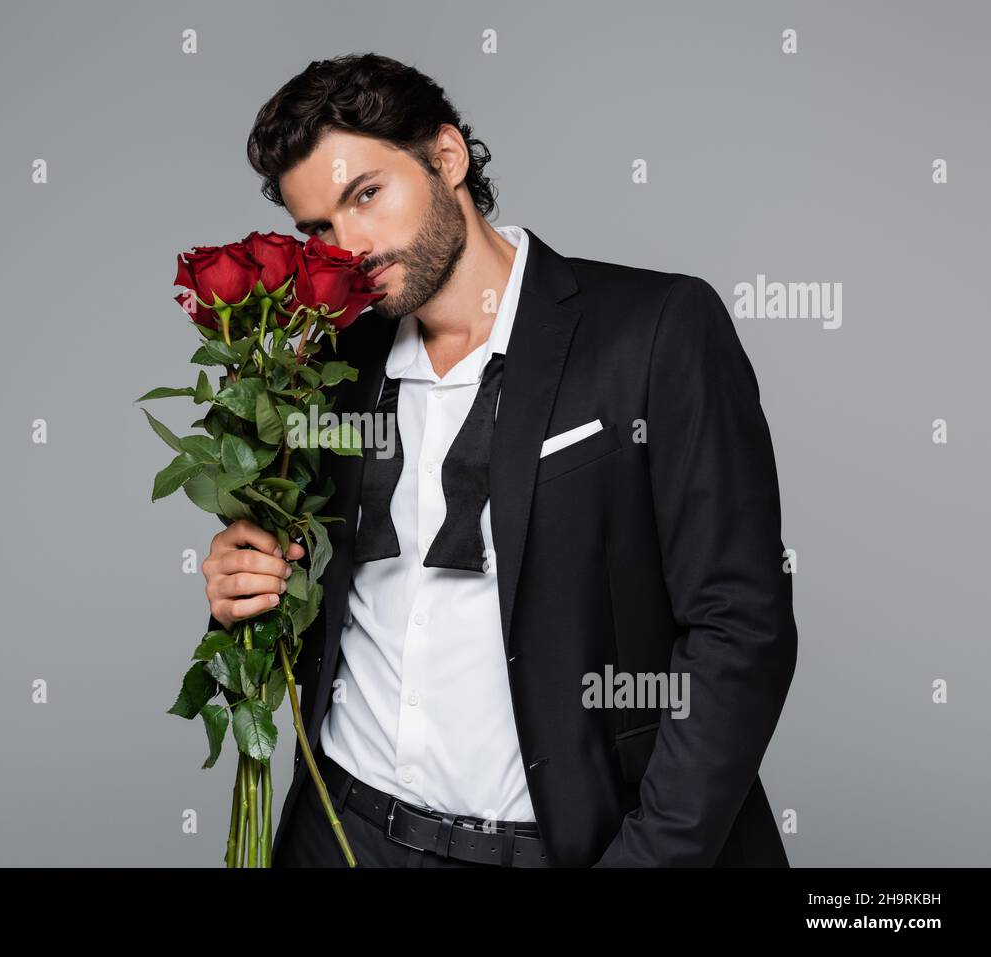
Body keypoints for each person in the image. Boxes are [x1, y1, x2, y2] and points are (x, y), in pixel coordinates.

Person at [203, 53, 797, 867]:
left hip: (556, 846)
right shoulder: (326, 366)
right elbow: (308, 587)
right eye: (319, 230)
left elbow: (741, 626)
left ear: (446, 158)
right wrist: (244, 583)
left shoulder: (654, 330)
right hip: (340, 829)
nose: (350, 248)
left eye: (366, 194)